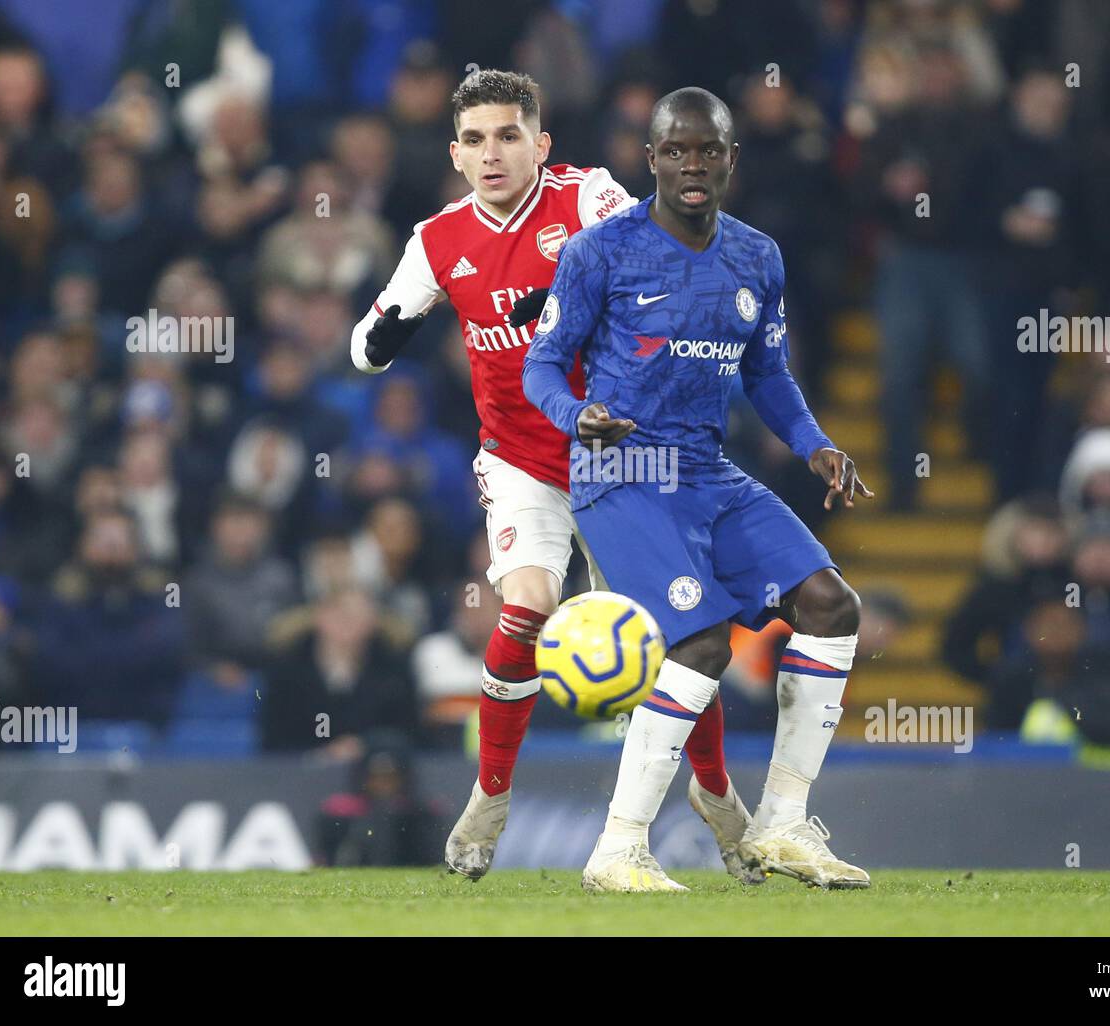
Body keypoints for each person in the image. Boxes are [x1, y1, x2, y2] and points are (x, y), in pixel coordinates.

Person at [348, 70, 733, 881]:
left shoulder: (586, 197)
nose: (492, 153)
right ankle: (490, 798)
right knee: (527, 606)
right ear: (456, 155)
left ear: (541, 144)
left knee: (676, 628)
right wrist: (382, 338)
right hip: (521, 459)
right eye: (475, 140)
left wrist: (568, 294)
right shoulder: (437, 240)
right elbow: (366, 345)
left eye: (508, 135)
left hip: (619, 456)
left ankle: (714, 788)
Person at [524, 87, 873, 892]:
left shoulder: (758, 256)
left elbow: (767, 373)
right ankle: (617, 849)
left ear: (730, 160)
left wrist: (815, 445)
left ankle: (782, 825)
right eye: (675, 151)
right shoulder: (599, 252)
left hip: (707, 470)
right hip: (622, 473)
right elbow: (541, 364)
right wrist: (577, 417)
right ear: (649, 159)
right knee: (702, 644)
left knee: (831, 606)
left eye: (707, 150)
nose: (692, 165)